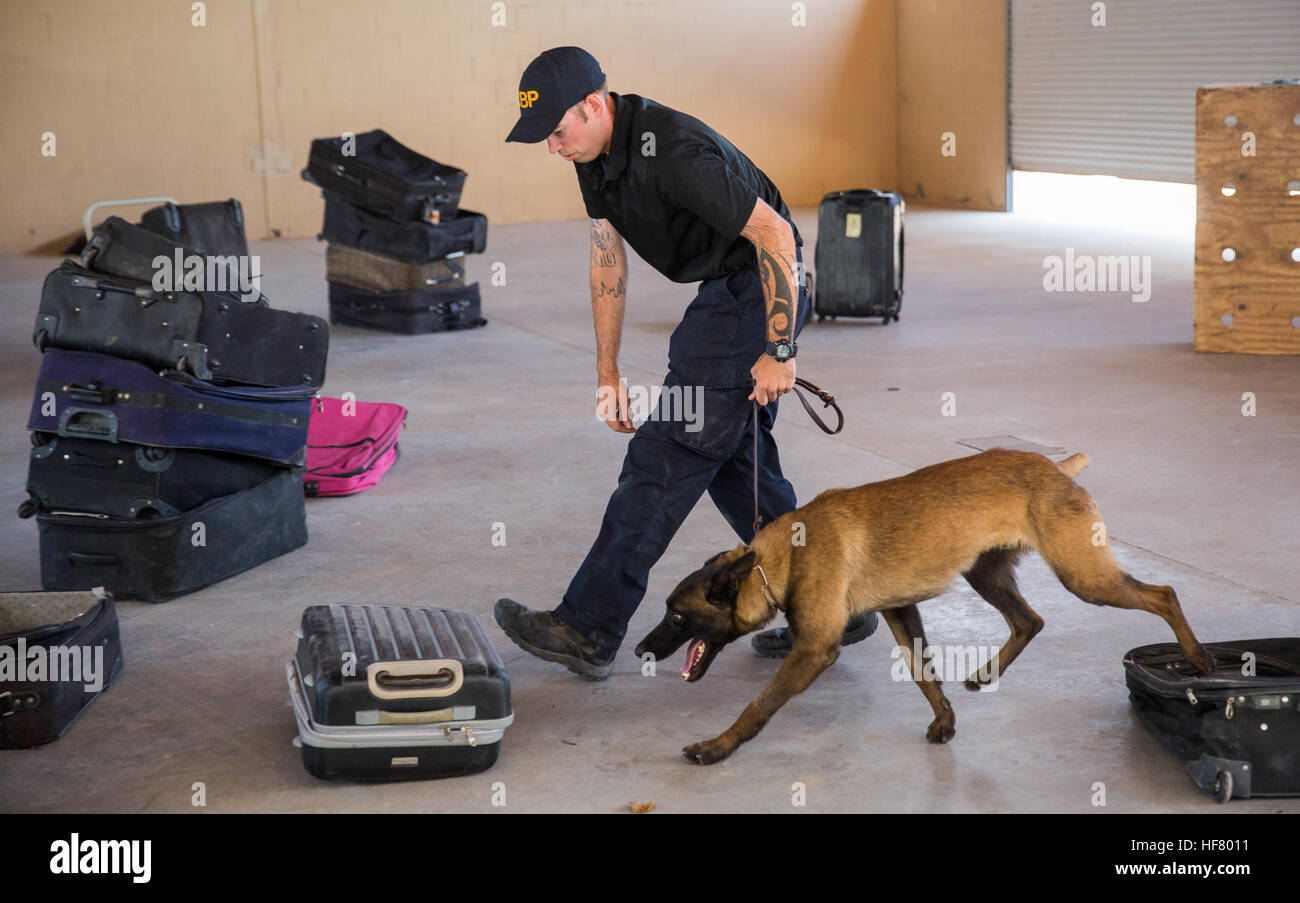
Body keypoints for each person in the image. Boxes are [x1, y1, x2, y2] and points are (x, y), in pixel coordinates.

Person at [495, 46, 874, 679]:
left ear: (593, 105)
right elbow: (606, 259)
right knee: (733, 459)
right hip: (722, 289)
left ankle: (589, 627)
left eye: (557, 133)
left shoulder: (671, 152)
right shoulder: (593, 155)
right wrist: (607, 371)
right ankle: (836, 601)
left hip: (756, 283)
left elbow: (778, 236)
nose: (553, 148)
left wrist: (780, 348)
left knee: (665, 457)